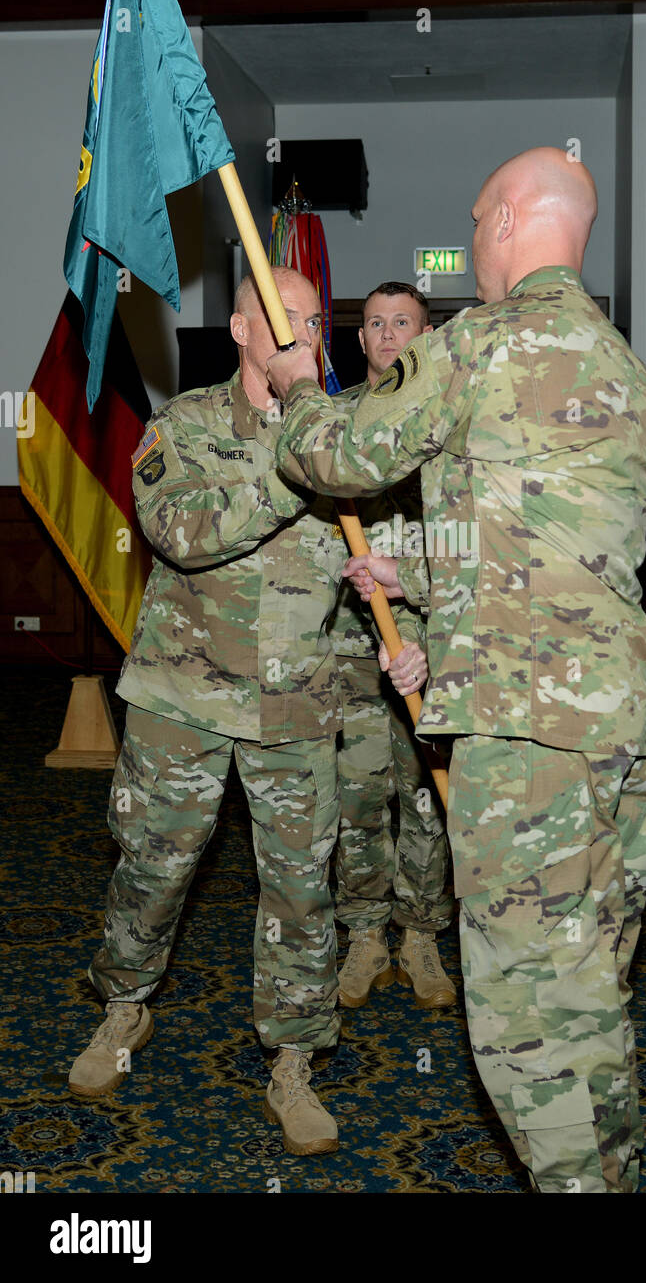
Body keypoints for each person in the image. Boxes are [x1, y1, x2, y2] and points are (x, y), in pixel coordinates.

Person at [265, 148, 646, 1193]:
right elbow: (551, 547)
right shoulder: (628, 367)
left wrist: (295, 381)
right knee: (590, 981)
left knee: (531, 1016)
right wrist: (425, 574)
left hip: (527, 730)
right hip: (619, 720)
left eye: (476, 224)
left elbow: (339, 457)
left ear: (501, 223)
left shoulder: (479, 345)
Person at [69, 267, 353, 1157]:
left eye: (312, 323)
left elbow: (392, 555)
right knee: (153, 869)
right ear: (239, 329)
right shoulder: (182, 426)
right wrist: (294, 467)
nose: (302, 339)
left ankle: (294, 1059)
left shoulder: (348, 438)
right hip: (182, 699)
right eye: (282, 323)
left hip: (298, 701)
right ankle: (123, 1009)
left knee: (303, 893)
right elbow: (181, 533)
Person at [329, 282, 455, 1011]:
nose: (385, 335)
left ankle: (420, 934)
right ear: (360, 338)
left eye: (400, 322)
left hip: (435, 637)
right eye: (373, 323)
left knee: (427, 795)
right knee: (359, 795)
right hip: (349, 642)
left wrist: (433, 631)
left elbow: (474, 548)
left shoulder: (445, 424)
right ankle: (366, 934)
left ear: (424, 333)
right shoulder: (335, 425)